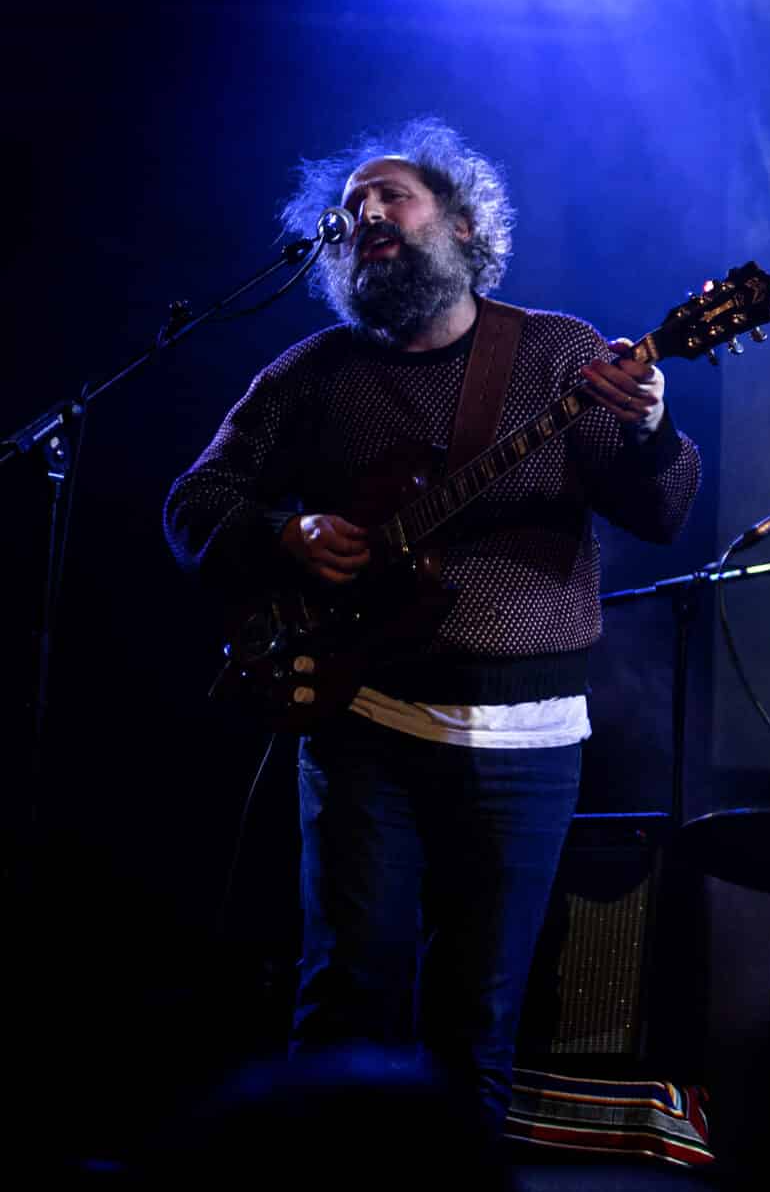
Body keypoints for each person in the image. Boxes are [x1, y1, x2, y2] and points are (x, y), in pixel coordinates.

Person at [165, 118, 702, 1129]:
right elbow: (194, 501)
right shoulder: (312, 372)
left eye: (392, 197)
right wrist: (287, 531)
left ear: (462, 224)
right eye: (351, 208)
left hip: (528, 739)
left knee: (478, 1021)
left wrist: (650, 428)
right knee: (345, 1001)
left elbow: (664, 510)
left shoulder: (558, 354)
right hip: (362, 716)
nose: (366, 213)